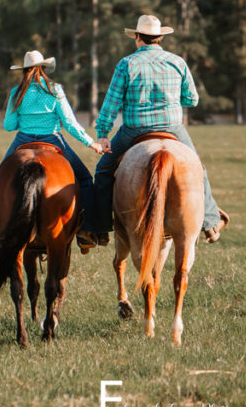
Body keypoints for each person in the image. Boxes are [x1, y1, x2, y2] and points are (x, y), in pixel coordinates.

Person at [87, 14, 229, 246]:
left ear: (138, 38)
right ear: (160, 37)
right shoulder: (177, 62)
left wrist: (103, 134)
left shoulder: (126, 64)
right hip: (172, 128)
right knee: (197, 167)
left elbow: (111, 104)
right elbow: (191, 99)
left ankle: (100, 229)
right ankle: (210, 223)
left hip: (134, 128)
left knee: (103, 171)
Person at [0, 50, 105, 243]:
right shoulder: (54, 89)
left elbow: (8, 125)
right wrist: (91, 143)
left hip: (23, 140)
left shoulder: (16, 92)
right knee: (85, 179)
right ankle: (88, 230)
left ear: (24, 70)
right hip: (52, 139)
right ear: (44, 69)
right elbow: (69, 123)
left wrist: (26, 119)